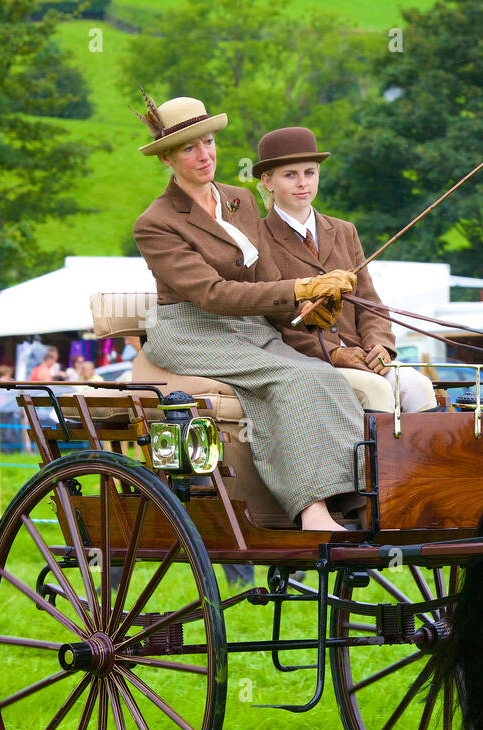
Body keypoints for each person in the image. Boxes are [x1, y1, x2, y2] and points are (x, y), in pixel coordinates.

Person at [131, 93, 364, 532]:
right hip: (191, 332)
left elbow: (265, 275)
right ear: (166, 157)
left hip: (250, 327)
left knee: (328, 376)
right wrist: (300, 286)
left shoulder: (239, 200)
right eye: (189, 148)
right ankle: (312, 511)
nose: (204, 155)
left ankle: (351, 498)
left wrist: (306, 308)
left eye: (209, 142)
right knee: (292, 378)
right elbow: (214, 294)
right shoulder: (156, 222)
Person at [254, 126, 436, 413]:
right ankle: (373, 460)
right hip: (307, 363)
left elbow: (370, 304)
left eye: (310, 173)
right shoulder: (258, 238)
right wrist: (335, 353)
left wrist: (380, 347)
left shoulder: (344, 231)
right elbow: (274, 319)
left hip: (362, 355)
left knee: (418, 385)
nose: (303, 183)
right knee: (376, 390)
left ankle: (425, 459)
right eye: (290, 175)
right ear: (268, 181)